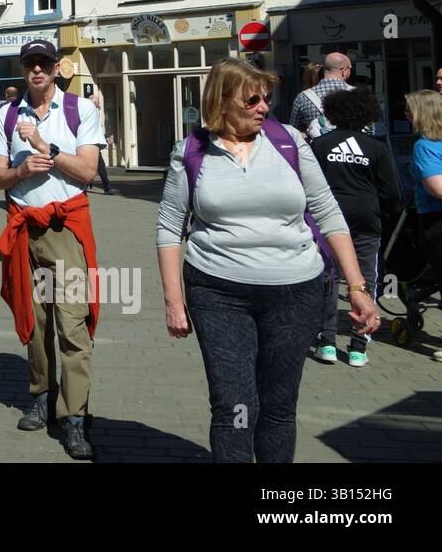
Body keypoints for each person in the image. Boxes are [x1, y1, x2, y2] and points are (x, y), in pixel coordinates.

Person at [157, 57, 374, 463]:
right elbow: (169, 228)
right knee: (233, 404)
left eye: (266, 98)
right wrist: (173, 301)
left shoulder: (290, 140)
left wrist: (358, 288)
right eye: (251, 100)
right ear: (221, 101)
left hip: (296, 292)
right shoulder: (190, 151)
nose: (263, 107)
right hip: (218, 293)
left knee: (277, 404)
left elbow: (329, 213)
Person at [0, 40, 105, 459]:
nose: (37, 70)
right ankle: (41, 396)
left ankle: (74, 416)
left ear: (57, 68)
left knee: (72, 324)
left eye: (44, 63)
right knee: (35, 325)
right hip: (24, 229)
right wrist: (20, 169)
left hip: (66, 229)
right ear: (23, 69)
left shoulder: (80, 110)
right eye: (30, 64)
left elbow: (88, 171)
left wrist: (45, 149)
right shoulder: (6, 114)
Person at [309, 90, 403, 367]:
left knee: (328, 278)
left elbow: (308, 182)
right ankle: (358, 346)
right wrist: (385, 212)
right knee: (365, 278)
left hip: (328, 219)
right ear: (368, 114)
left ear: (332, 113)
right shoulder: (376, 147)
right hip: (366, 218)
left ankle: (326, 342)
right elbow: (392, 191)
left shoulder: (320, 145)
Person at [407, 89, 442, 345]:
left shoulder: (425, 146)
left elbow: (437, 188)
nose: (405, 114)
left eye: (409, 109)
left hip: (435, 219)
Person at [289, 52, 354, 139]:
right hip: (353, 149)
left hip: (318, 150)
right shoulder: (357, 95)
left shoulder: (303, 97)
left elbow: (293, 131)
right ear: (344, 71)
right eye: (350, 68)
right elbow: (370, 129)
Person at [88, 92, 114, 195]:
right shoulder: (90, 113)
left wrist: (104, 137)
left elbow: (96, 129)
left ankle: (88, 183)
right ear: (94, 103)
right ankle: (107, 188)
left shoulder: (91, 112)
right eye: (98, 103)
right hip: (91, 144)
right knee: (100, 165)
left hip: (93, 143)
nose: (99, 105)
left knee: (96, 165)